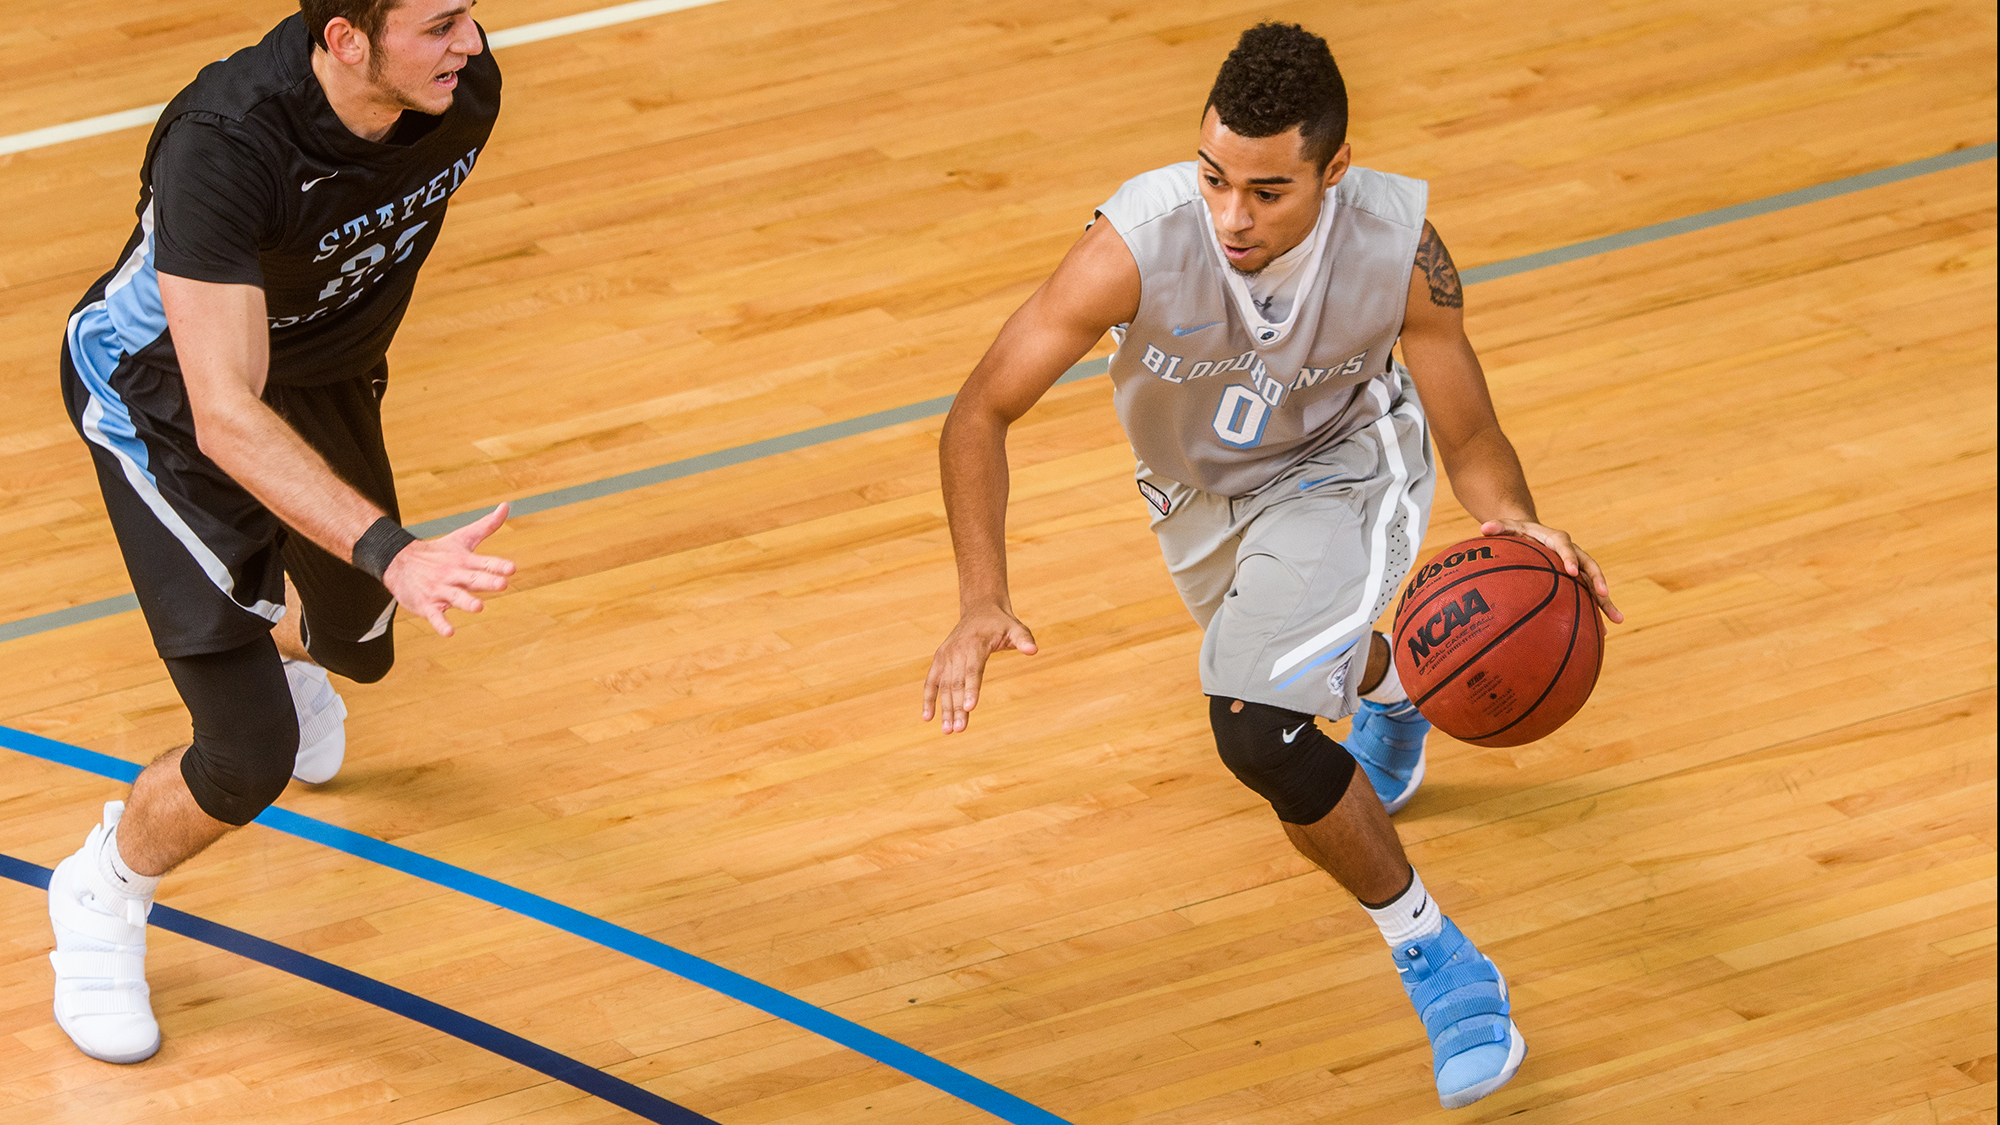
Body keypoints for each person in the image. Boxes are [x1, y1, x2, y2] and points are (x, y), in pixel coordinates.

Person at [921, 22, 1622, 1109]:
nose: (1232, 217)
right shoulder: (1136, 243)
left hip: (1345, 466)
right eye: (1213, 179)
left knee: (1255, 722)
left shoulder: (1401, 252)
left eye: (1266, 190)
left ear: (1332, 171)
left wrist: (1516, 521)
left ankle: (1438, 962)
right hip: (1196, 493)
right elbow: (981, 408)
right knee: (1290, 667)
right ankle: (1397, 691)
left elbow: (1468, 435)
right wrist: (981, 598)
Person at [48, 0, 513, 1064]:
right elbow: (224, 412)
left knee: (361, 644)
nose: (474, 45)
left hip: (315, 379)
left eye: (475, 14)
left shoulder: (462, 97)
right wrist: (390, 544)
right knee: (252, 755)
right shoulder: (224, 146)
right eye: (441, 24)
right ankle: (103, 887)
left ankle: (276, 640)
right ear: (345, 40)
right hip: (162, 396)